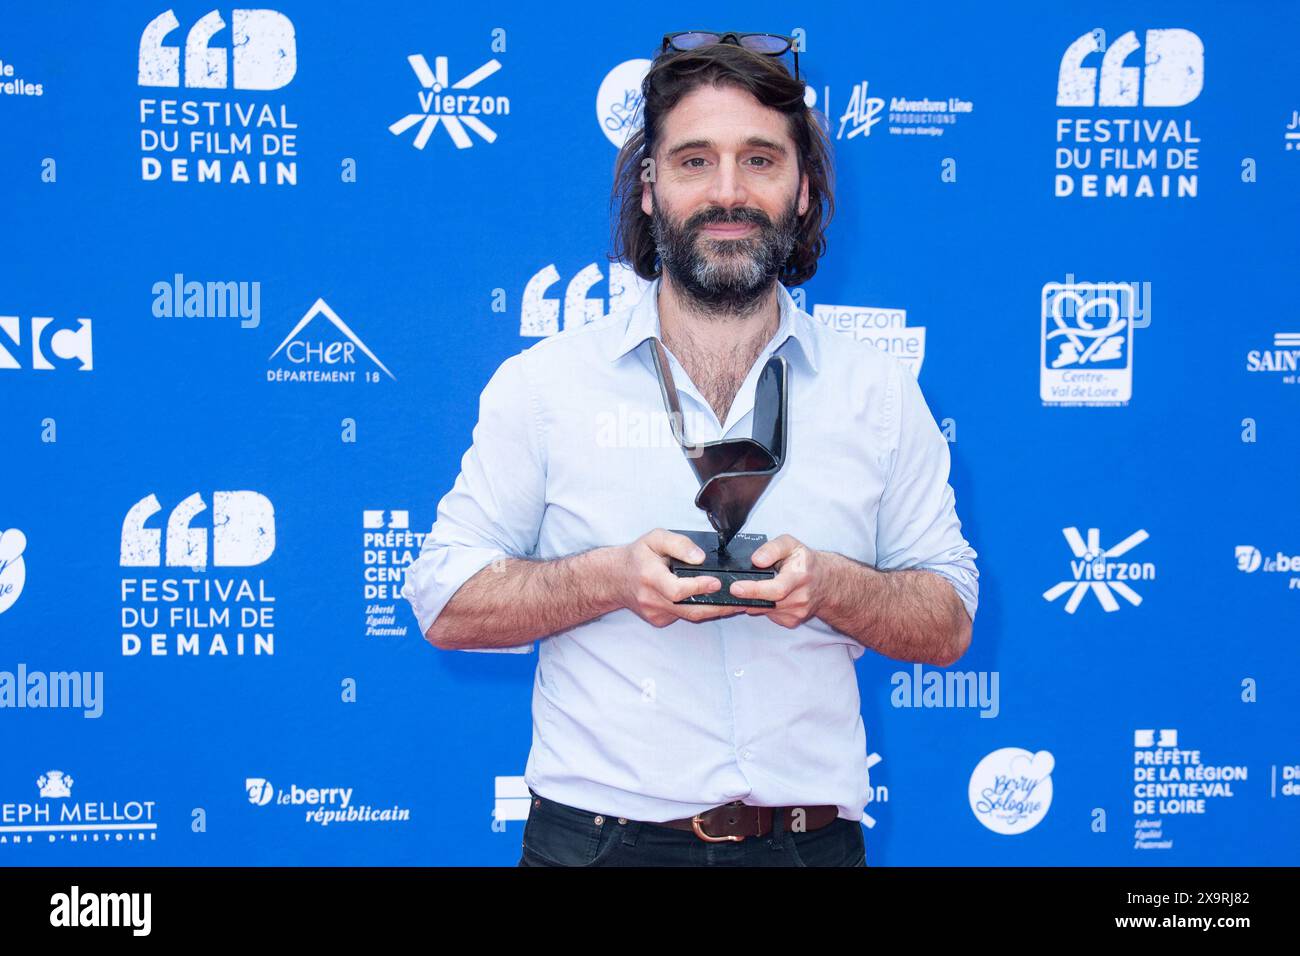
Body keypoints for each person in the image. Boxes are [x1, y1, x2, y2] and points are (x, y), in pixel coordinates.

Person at [401, 32, 978, 867]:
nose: (729, 192)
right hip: (596, 846)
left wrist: (834, 587)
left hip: (808, 845)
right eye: (695, 161)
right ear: (649, 189)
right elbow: (445, 602)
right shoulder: (547, 384)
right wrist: (609, 580)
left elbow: (951, 620)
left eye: (761, 161)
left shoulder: (877, 394)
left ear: (805, 189)